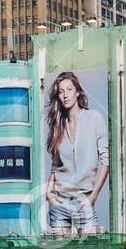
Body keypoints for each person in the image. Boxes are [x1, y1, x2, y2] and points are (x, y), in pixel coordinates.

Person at [44, 70, 111, 236]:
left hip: (84, 198)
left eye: (69, 89)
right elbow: (55, 164)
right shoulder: (58, 126)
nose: (65, 95)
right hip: (59, 199)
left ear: (78, 91)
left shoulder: (94, 118)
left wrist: (93, 197)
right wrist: (49, 193)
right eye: (61, 91)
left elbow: (106, 161)